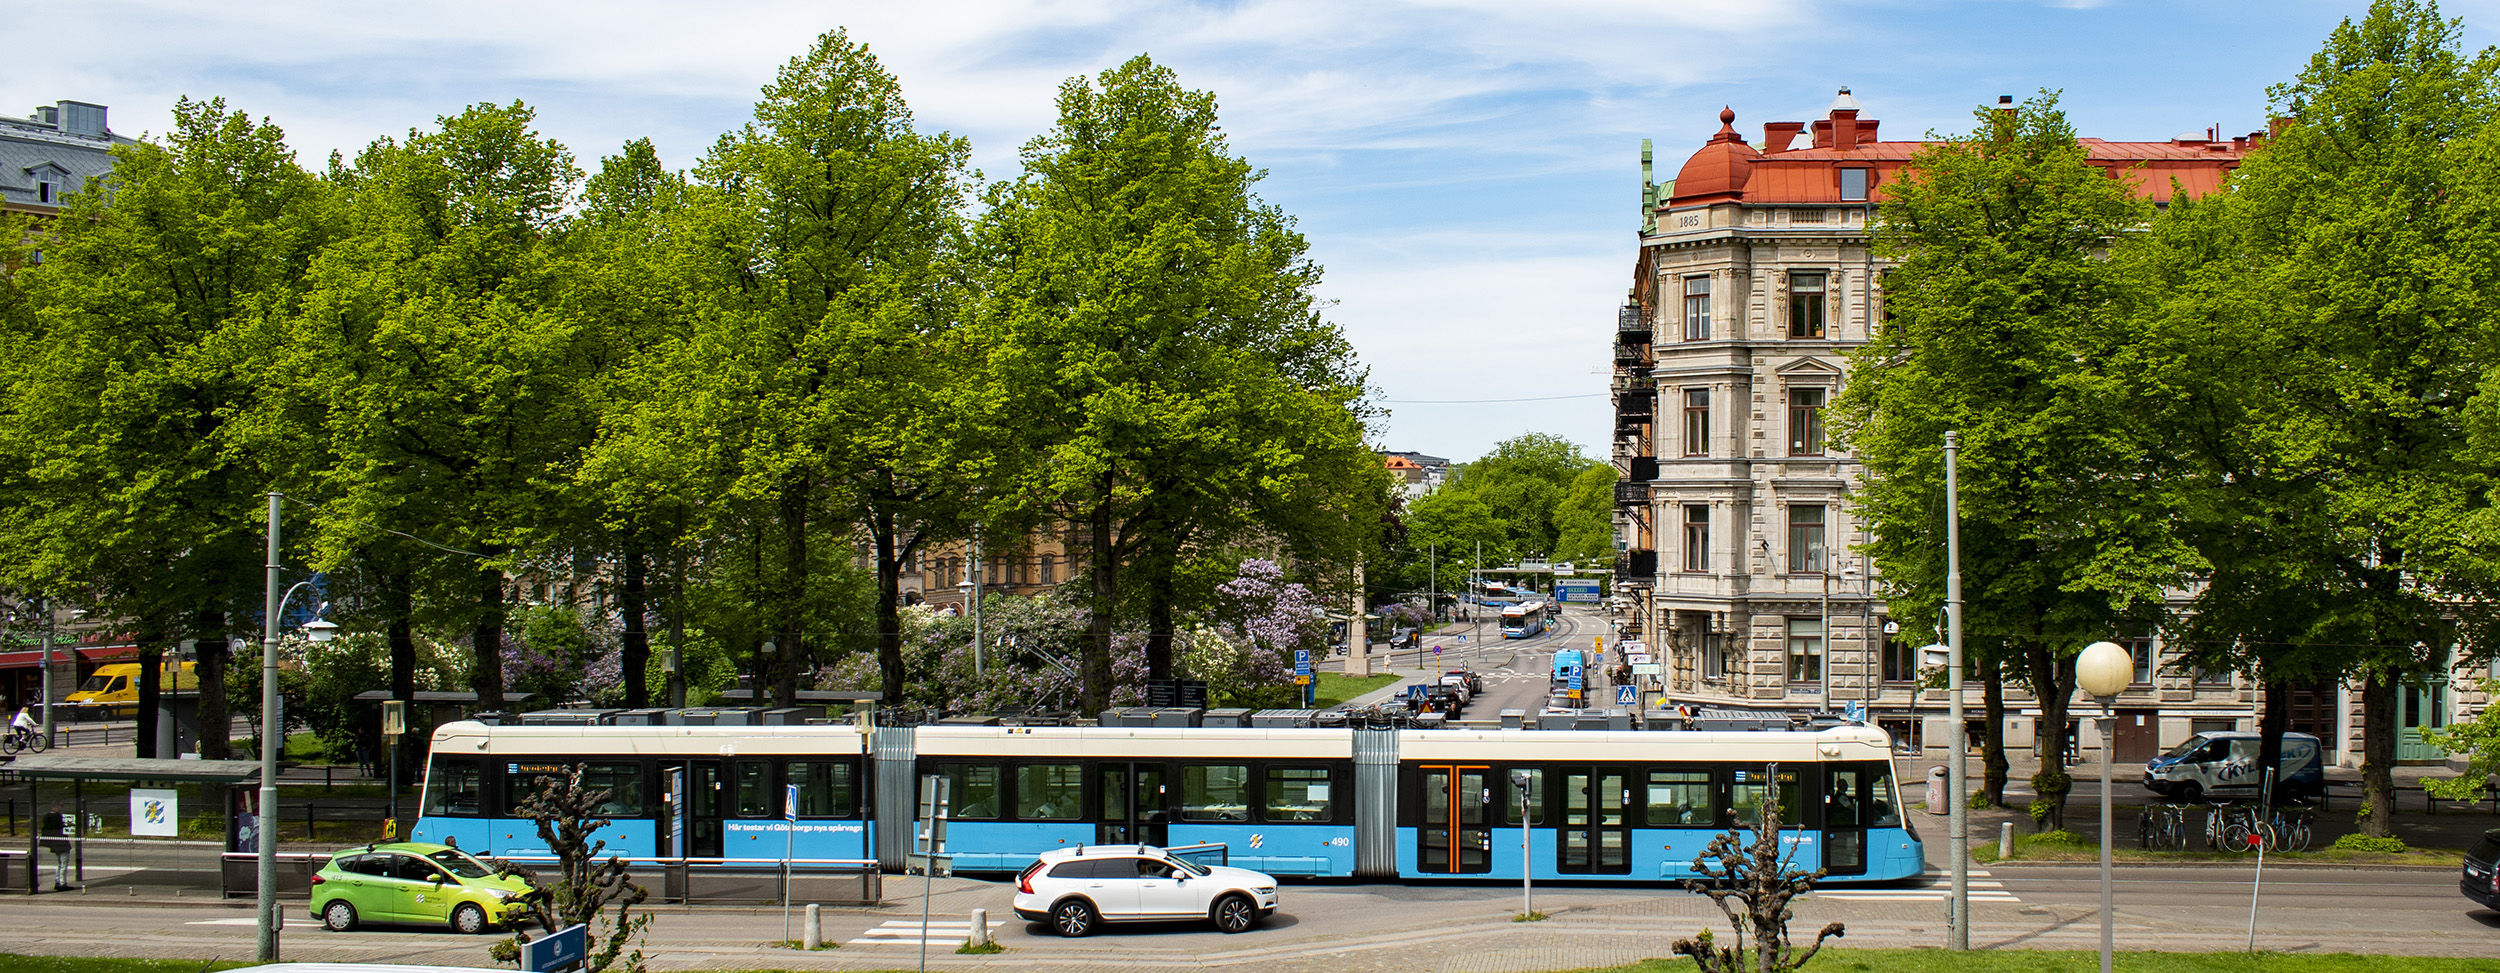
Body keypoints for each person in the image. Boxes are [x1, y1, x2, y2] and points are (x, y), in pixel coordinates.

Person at [40, 802, 75, 891]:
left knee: (59, 863)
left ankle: (57, 881)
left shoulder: (46, 817)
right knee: (63, 863)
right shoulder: (57, 817)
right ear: (56, 807)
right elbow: (60, 827)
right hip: (61, 842)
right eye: (61, 806)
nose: (61, 808)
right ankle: (63, 883)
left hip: (54, 843)